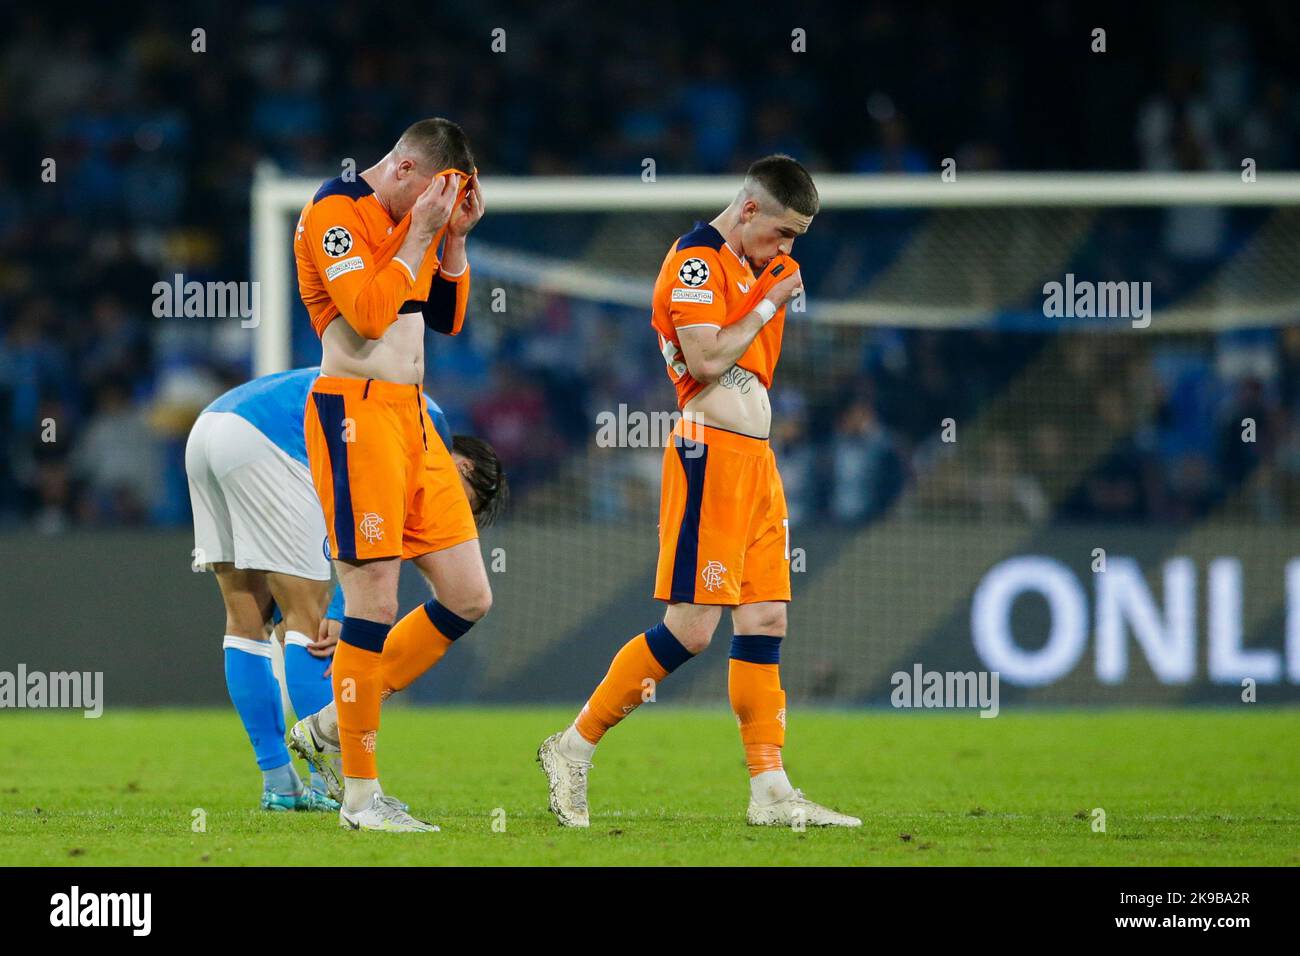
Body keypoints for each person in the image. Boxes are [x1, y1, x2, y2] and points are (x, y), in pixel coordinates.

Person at [538, 155, 860, 828]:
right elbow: (709, 359)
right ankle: (573, 746)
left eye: (797, 238)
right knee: (690, 629)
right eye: (783, 233)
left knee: (767, 619)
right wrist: (772, 294)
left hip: (756, 462)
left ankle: (770, 790)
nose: (789, 250)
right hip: (706, 454)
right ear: (748, 211)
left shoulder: (751, 266)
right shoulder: (695, 260)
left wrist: (768, 281)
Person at [293, 117, 492, 832]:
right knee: (373, 604)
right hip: (355, 417)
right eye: (434, 194)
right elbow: (371, 314)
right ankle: (359, 797)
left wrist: (455, 241)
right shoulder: (334, 212)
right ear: (408, 168)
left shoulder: (420, 221)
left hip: (412, 418)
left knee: (468, 595)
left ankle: (324, 725)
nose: (434, 211)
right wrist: (419, 235)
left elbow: (444, 316)